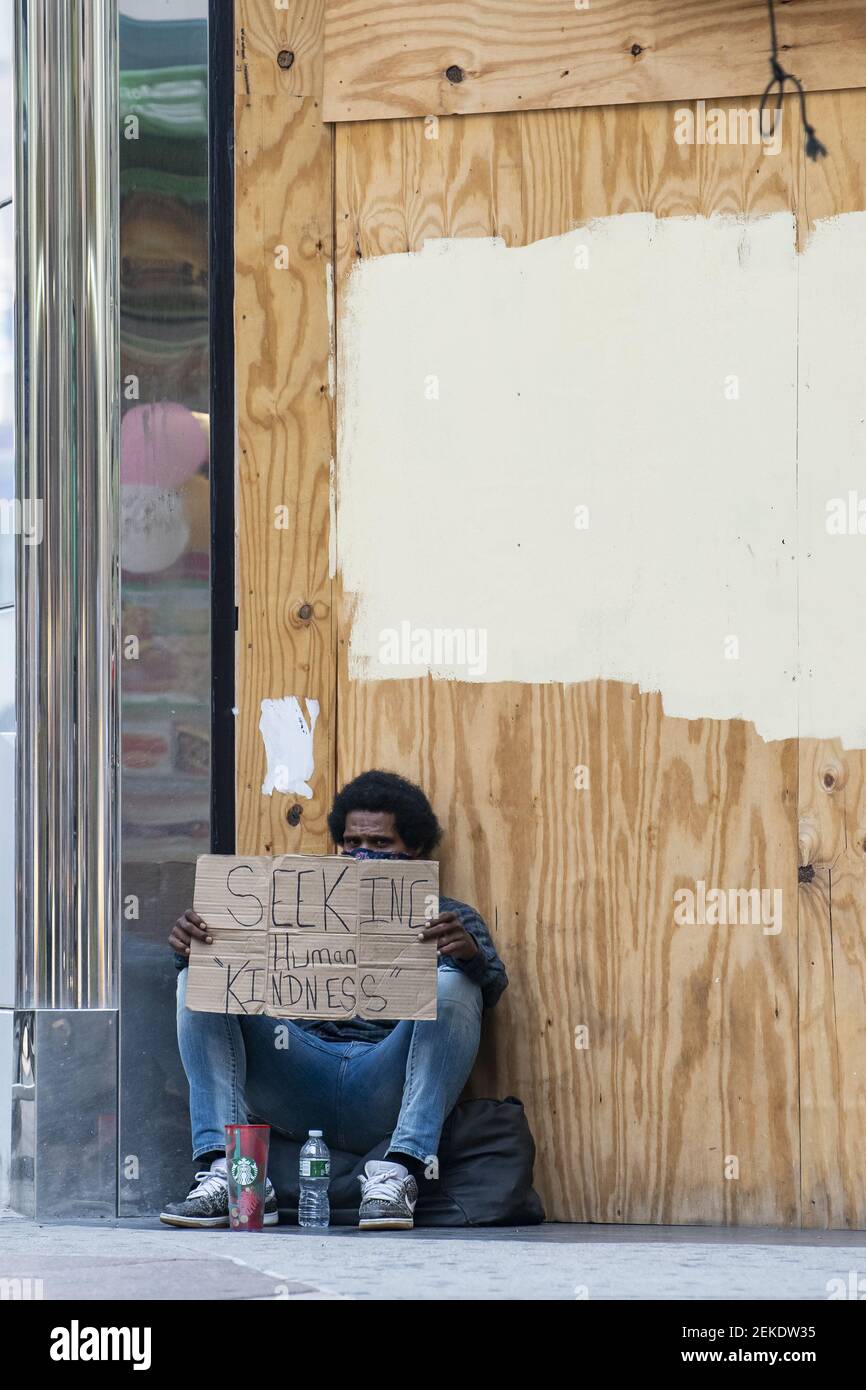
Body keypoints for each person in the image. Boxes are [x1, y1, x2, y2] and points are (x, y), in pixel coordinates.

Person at [160, 769, 508, 1230]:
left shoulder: (450, 917)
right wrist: (196, 952)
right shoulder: (291, 908)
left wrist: (469, 958)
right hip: (298, 1074)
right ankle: (229, 1172)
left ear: (416, 849)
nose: (362, 855)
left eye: (381, 845)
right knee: (195, 985)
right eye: (350, 843)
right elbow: (221, 987)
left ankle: (397, 1171)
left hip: (385, 1083)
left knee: (455, 985)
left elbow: (490, 987)